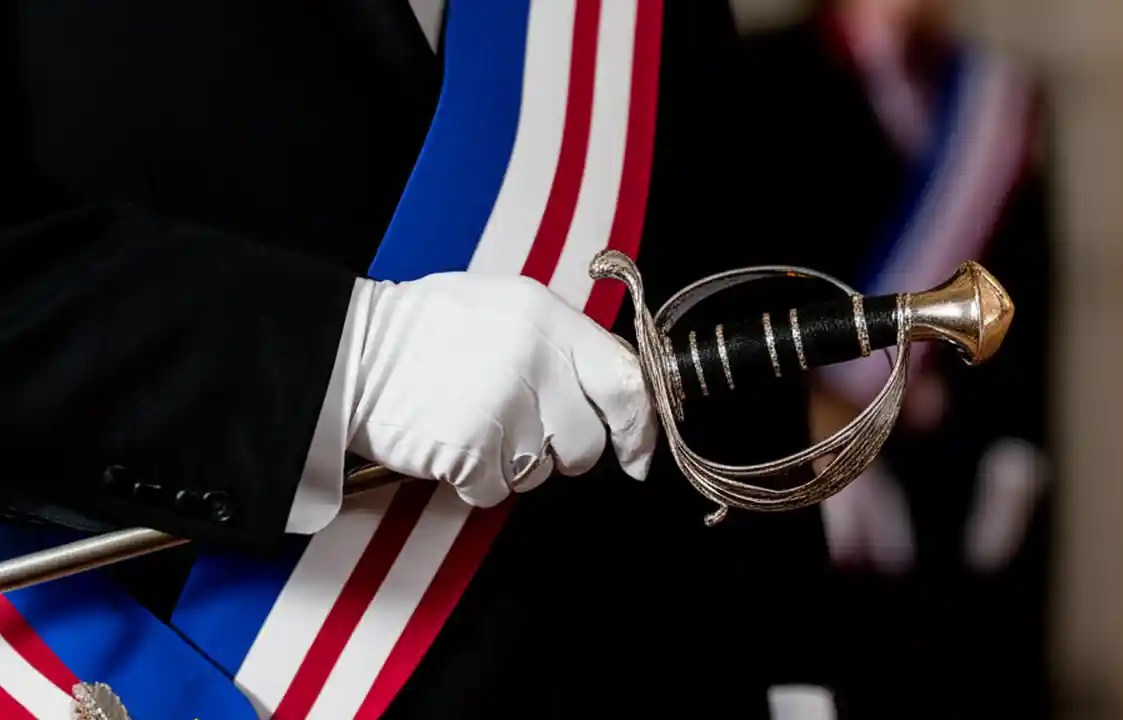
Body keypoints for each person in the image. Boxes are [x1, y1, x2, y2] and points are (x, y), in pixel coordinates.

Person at [2, 1, 855, 717]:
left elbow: (717, 261)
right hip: (177, 664)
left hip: (648, 664)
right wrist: (344, 361)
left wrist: (792, 672)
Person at [730, 0, 1055, 716]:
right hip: (813, 453)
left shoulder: (992, 94)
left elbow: (1029, 295)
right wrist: (804, 408)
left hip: (953, 467)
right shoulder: (757, 71)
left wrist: (1012, 448)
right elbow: (738, 271)